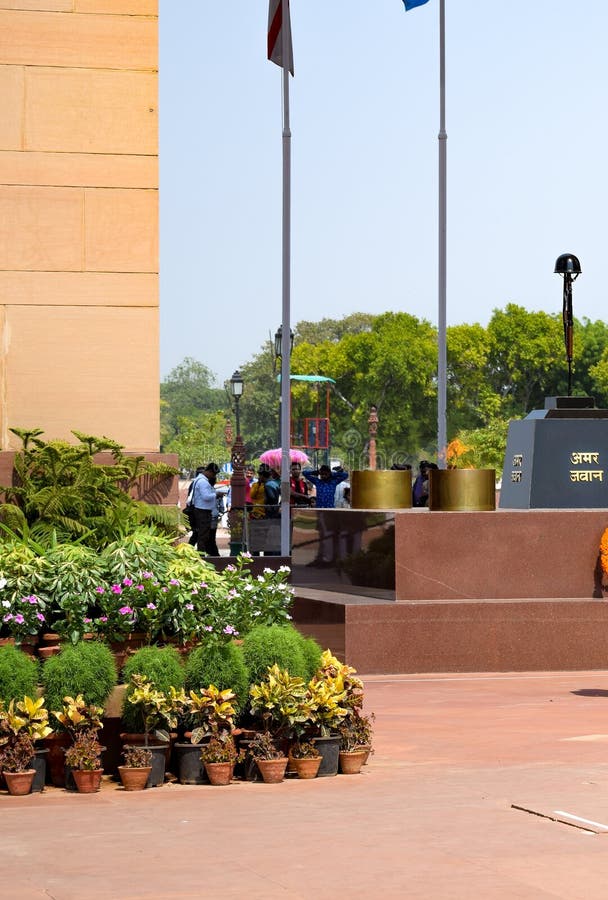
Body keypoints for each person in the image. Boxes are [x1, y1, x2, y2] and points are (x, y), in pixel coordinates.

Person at [190, 462, 220, 554]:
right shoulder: (203, 482)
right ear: (209, 471)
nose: (213, 476)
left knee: (200, 535)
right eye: (213, 474)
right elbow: (206, 496)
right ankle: (201, 555)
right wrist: (216, 494)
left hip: (201, 511)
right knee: (203, 536)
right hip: (203, 512)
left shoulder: (199, 480)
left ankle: (201, 553)